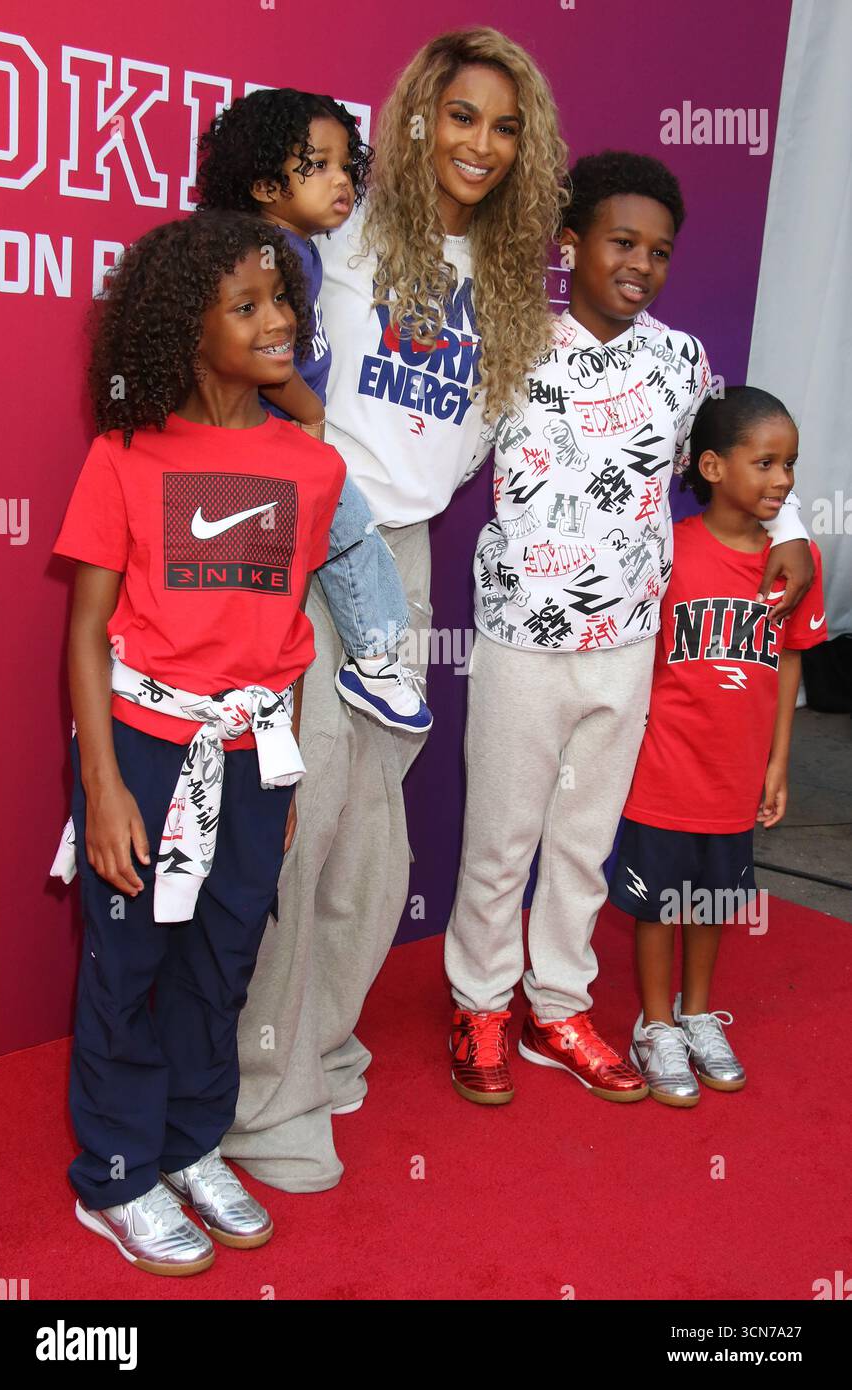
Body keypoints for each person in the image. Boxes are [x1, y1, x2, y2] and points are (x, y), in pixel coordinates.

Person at [221, 28, 568, 1191]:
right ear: (417, 119)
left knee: (371, 835)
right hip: (300, 535)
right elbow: (245, 332)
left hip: (402, 558)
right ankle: (260, 1098)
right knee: (299, 818)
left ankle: (314, 1044)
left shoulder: (512, 284)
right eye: (460, 114)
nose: (479, 142)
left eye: (504, 125)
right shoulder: (350, 229)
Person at [444, 151, 815, 1105]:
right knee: (501, 840)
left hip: (628, 644)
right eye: (621, 242)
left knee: (582, 841)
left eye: (659, 250)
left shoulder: (681, 359)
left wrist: (800, 528)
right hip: (523, 639)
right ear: (571, 244)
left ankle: (557, 1006)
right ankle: (481, 1003)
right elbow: (431, 451)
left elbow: (745, 444)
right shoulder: (514, 342)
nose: (641, 263)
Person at [49, 210, 345, 1272]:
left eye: (285, 305)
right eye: (251, 307)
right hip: (142, 752)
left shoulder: (308, 468)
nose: (280, 324)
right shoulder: (124, 454)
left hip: (254, 757)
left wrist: (291, 766)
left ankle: (189, 1142)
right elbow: (86, 631)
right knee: (128, 962)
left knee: (222, 964)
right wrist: (102, 784)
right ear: (188, 326)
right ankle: (117, 1174)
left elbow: (290, 629)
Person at [606, 387, 826, 1104]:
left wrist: (778, 761)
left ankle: (698, 1012)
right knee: (658, 904)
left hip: (736, 774)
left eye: (790, 464)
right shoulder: (670, 551)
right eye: (765, 462)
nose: (783, 480)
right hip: (666, 766)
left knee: (711, 902)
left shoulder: (797, 564)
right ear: (711, 465)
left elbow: (791, 657)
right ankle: (657, 1023)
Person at [195, 87, 430, 733]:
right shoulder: (270, 252)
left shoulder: (293, 247)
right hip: (274, 439)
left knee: (287, 580)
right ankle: (375, 659)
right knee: (351, 533)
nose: (341, 182)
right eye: (317, 166)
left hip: (274, 444)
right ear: (268, 184)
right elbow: (264, 360)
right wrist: (310, 420)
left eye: (345, 166)